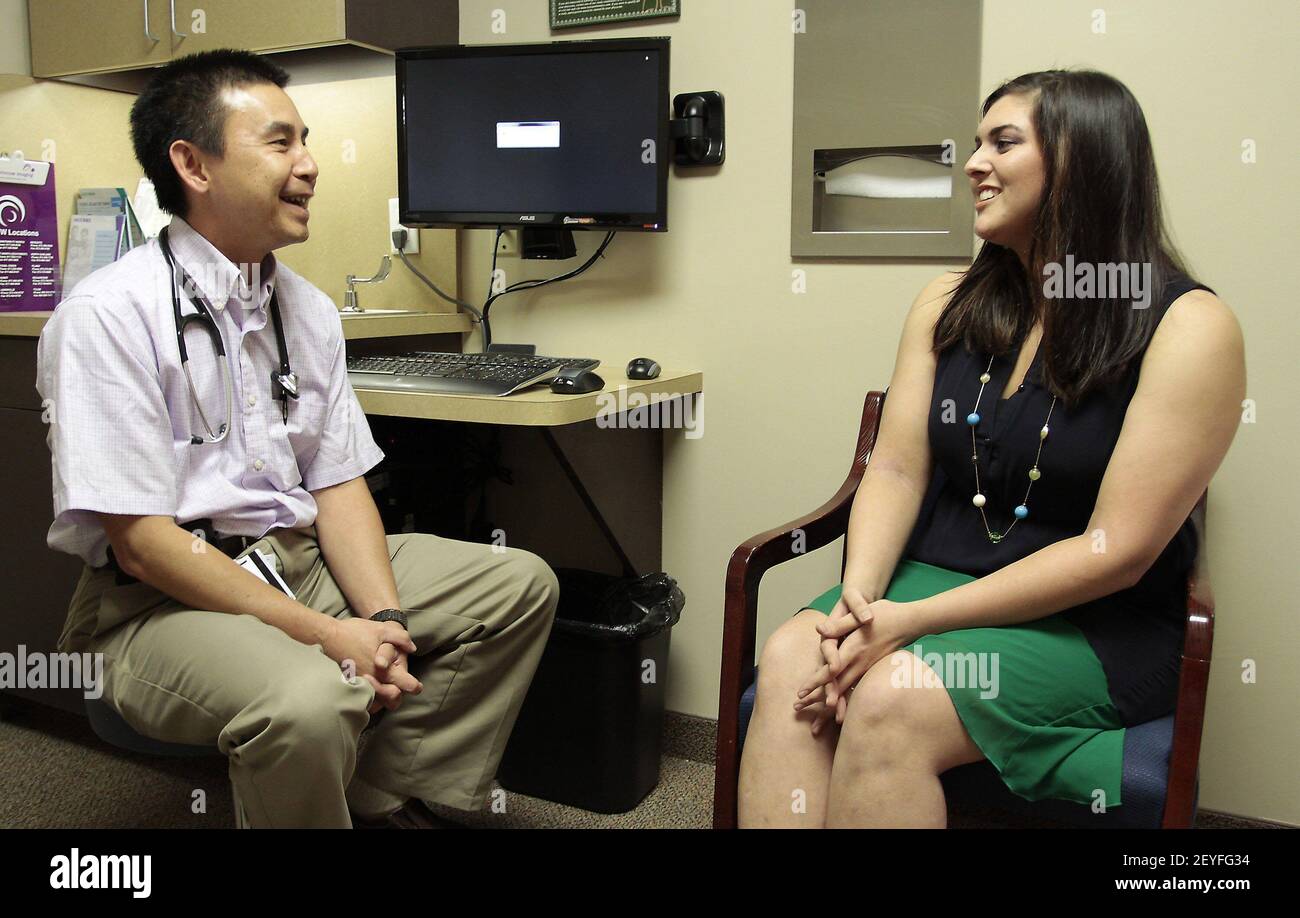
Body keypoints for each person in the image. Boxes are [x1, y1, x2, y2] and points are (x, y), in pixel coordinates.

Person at [35, 49, 558, 829]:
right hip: (156, 605)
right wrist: (329, 638)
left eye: (306, 141)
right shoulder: (107, 316)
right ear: (193, 165)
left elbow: (337, 483)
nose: (310, 165)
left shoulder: (305, 309)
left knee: (518, 587)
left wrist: (382, 624)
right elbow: (143, 544)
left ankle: (383, 800)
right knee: (312, 698)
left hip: (296, 562)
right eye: (280, 143)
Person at [738, 69, 1246, 828]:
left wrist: (913, 626)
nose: (973, 163)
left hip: (1093, 622)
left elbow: (1120, 553)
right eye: (977, 142)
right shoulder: (947, 302)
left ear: (1081, 162)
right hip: (925, 583)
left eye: (1002, 143)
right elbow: (900, 466)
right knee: (790, 655)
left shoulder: (1189, 327)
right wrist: (862, 599)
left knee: (887, 700)